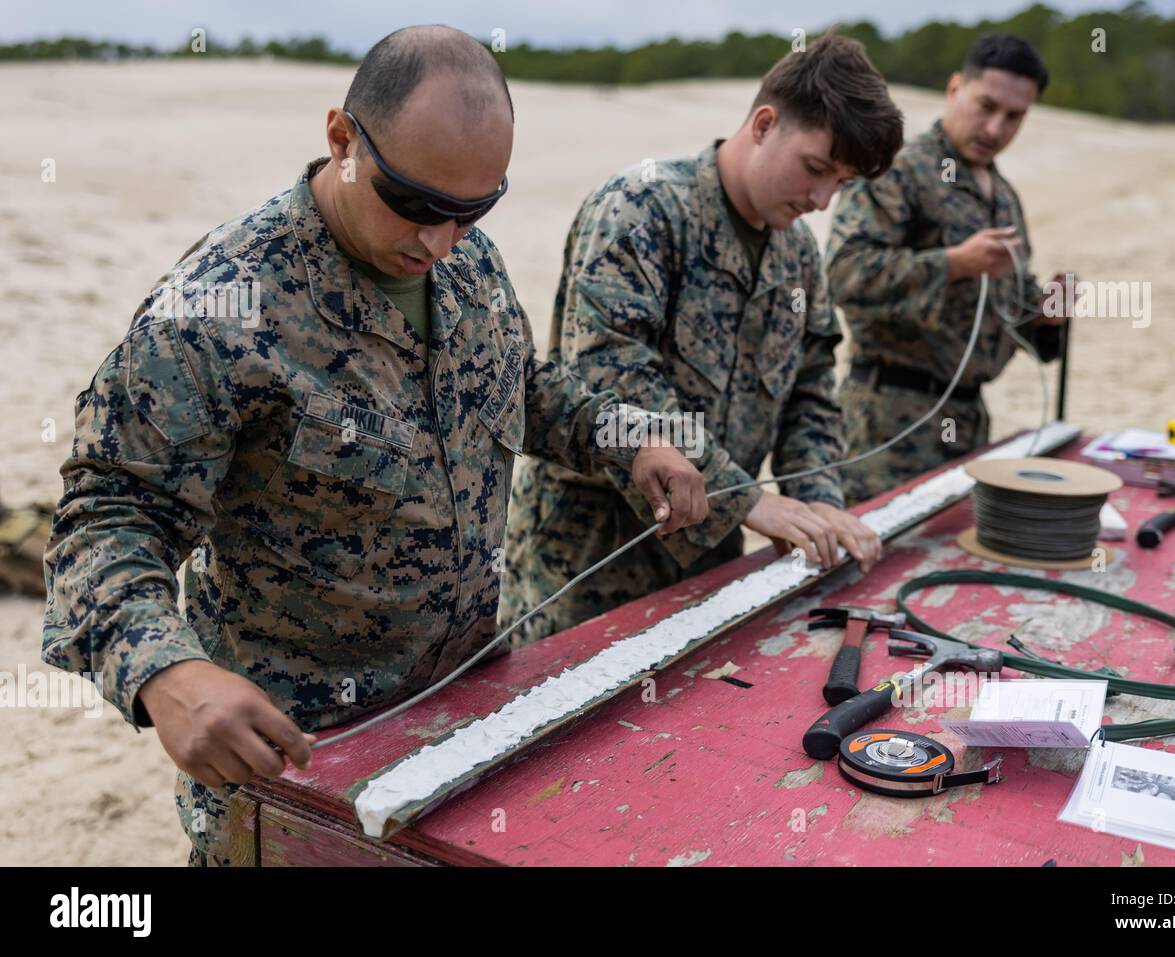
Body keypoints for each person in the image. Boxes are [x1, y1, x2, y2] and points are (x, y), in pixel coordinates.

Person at [40, 25, 708, 866]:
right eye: (418, 204)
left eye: (474, 210)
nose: (439, 241)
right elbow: (106, 517)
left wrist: (629, 443)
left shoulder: (463, 259)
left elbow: (520, 387)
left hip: (467, 721)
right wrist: (165, 674)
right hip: (301, 768)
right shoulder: (220, 304)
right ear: (342, 140)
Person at [500, 34, 902, 647]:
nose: (822, 201)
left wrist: (818, 507)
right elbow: (613, 376)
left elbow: (811, 395)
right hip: (590, 563)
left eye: (841, 184)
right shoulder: (641, 208)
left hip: (711, 563)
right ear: (764, 124)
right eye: (817, 169)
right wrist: (743, 499)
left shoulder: (796, 253)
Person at [826, 33, 1071, 502]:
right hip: (889, 423)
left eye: (1014, 117)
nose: (995, 128)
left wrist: (1045, 314)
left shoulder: (1003, 197)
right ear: (955, 88)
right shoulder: (899, 170)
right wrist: (955, 263)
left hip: (967, 422)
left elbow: (1007, 311)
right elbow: (844, 272)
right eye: (986, 106)